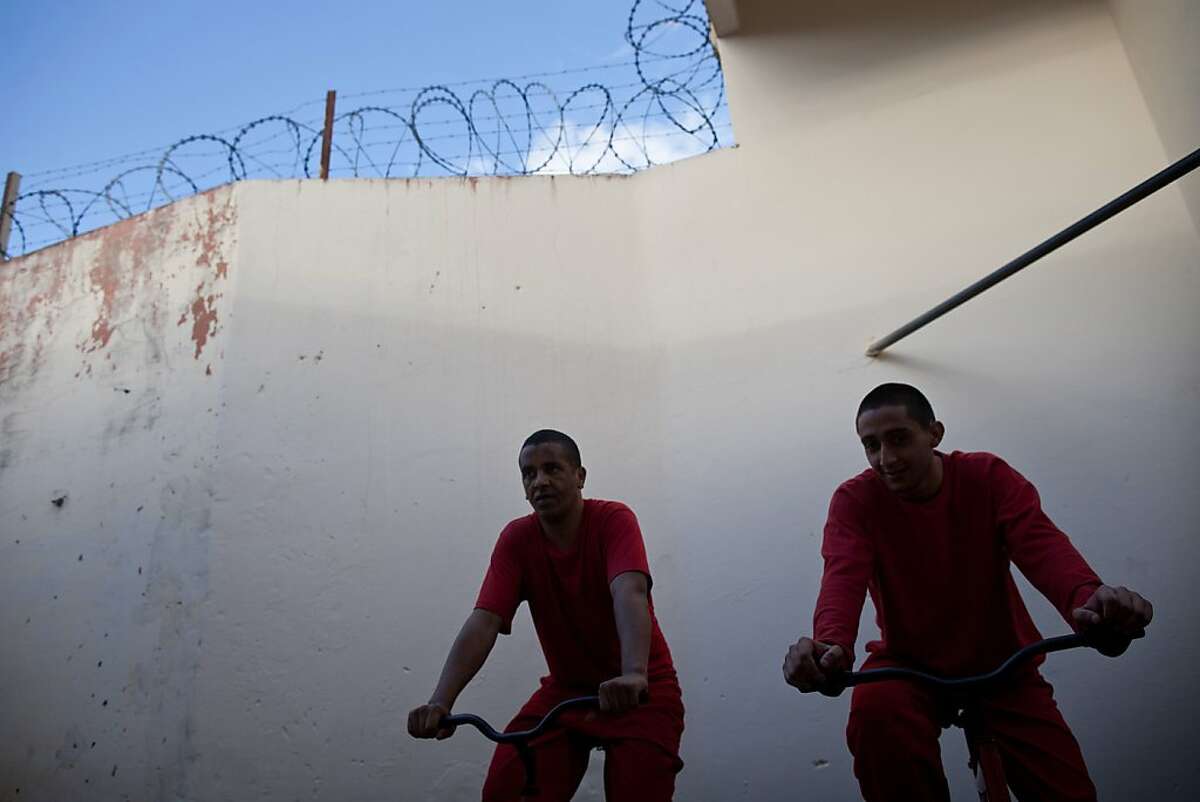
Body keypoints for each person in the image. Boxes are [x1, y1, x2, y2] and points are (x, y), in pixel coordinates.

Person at [782, 383, 1153, 801]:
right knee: (875, 711)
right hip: (908, 668)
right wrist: (830, 646)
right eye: (871, 446)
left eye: (899, 439)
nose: (886, 459)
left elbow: (1041, 545)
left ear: (935, 433)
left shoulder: (987, 476)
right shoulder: (855, 501)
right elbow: (842, 575)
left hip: (1005, 664)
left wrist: (1090, 602)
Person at [408, 429, 684, 801]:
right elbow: (484, 621)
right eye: (529, 473)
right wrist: (441, 702)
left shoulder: (613, 520)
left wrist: (634, 674)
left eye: (552, 468)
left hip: (641, 690)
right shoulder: (517, 540)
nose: (540, 481)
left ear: (580, 476)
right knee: (507, 786)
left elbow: (628, 591)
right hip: (566, 692)